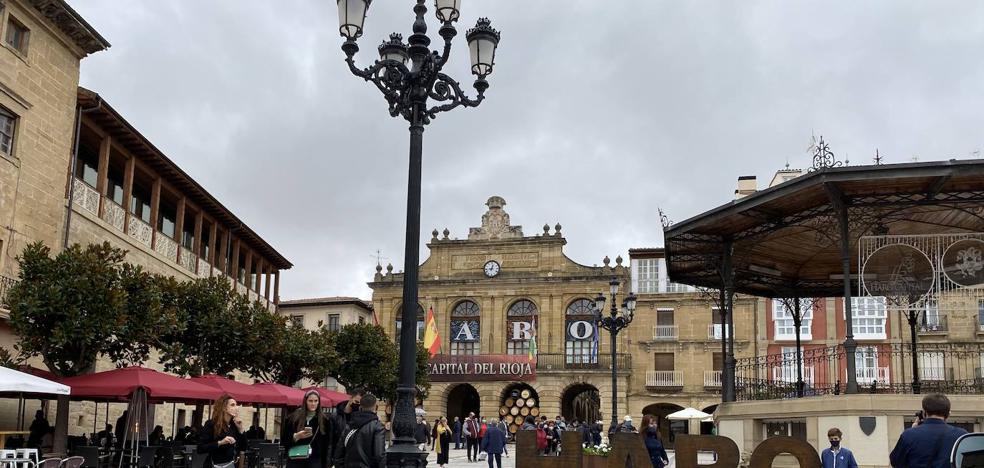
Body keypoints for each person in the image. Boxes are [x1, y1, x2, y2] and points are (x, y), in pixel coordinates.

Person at [890, 393, 967, 468]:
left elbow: (896, 462)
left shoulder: (909, 434)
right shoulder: (961, 435)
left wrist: (913, 430)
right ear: (948, 413)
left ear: (924, 413)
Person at [332, 393, 385, 468]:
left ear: (360, 407)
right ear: (375, 407)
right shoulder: (377, 426)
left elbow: (338, 453)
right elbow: (379, 455)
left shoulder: (349, 425)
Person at [282, 390, 330, 468]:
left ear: (319, 402)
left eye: (316, 401)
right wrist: (296, 436)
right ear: (305, 401)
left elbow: (326, 444)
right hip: (295, 459)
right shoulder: (293, 418)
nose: (313, 404)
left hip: (315, 461)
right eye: (310, 401)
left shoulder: (325, 420)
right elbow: (284, 440)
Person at [197, 394, 247, 468]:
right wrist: (220, 443)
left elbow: (243, 447)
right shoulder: (211, 424)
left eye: (236, 405)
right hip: (214, 465)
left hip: (231, 465)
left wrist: (241, 429)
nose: (236, 408)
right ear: (224, 408)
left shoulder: (234, 425)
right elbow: (200, 448)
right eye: (232, 405)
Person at [329, 389, 364, 459]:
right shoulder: (335, 417)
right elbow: (330, 441)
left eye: (360, 404)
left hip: (354, 458)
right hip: (337, 457)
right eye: (356, 402)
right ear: (350, 398)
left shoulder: (361, 418)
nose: (357, 405)